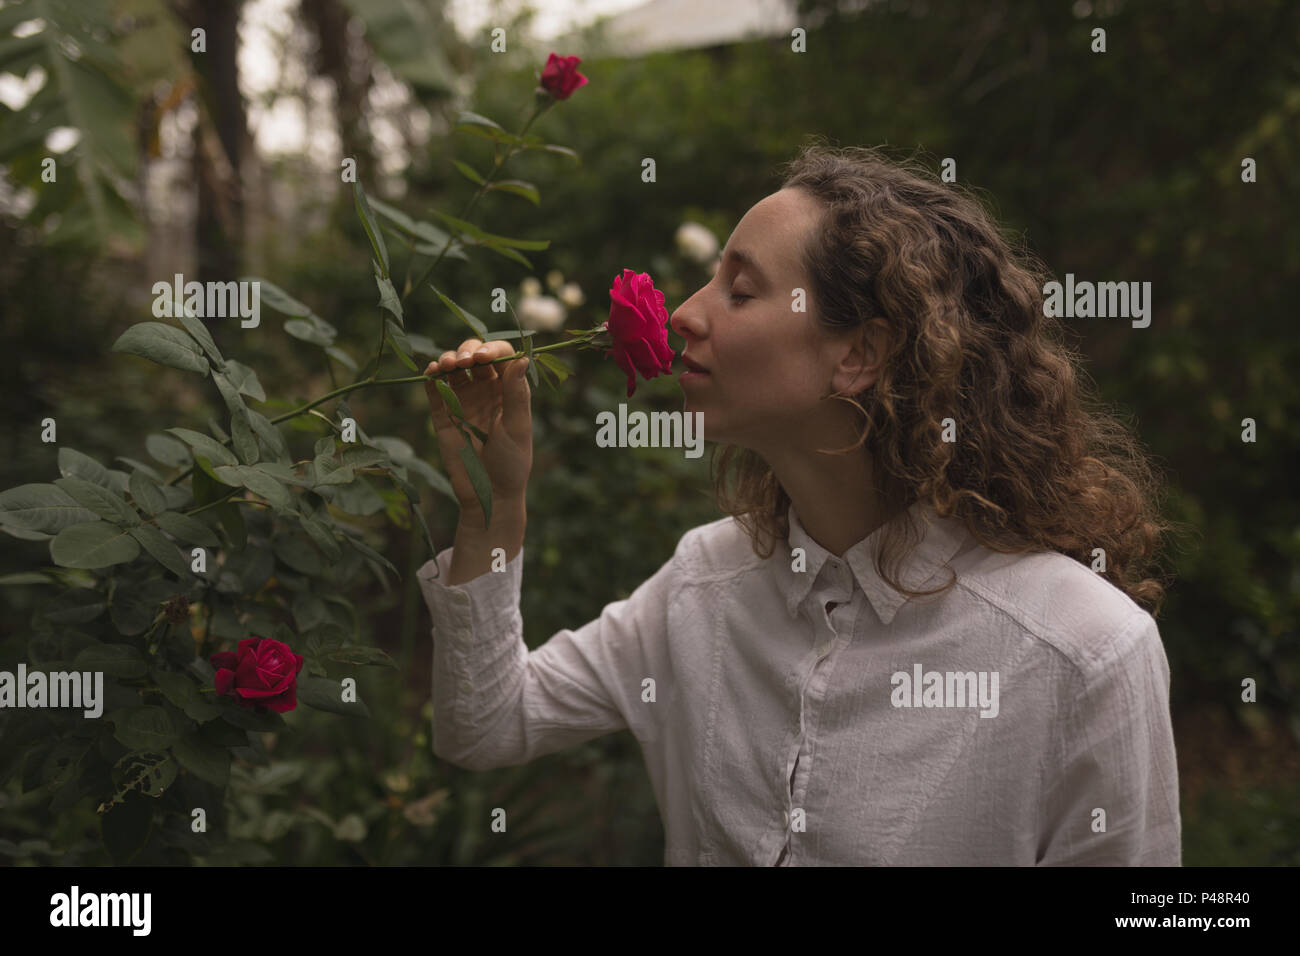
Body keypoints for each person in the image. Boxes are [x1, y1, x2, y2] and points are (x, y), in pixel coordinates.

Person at [418, 142, 1182, 866]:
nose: (685, 312)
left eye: (740, 290)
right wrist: (494, 505)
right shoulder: (704, 582)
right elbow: (486, 725)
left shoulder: (1082, 653)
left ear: (859, 354)